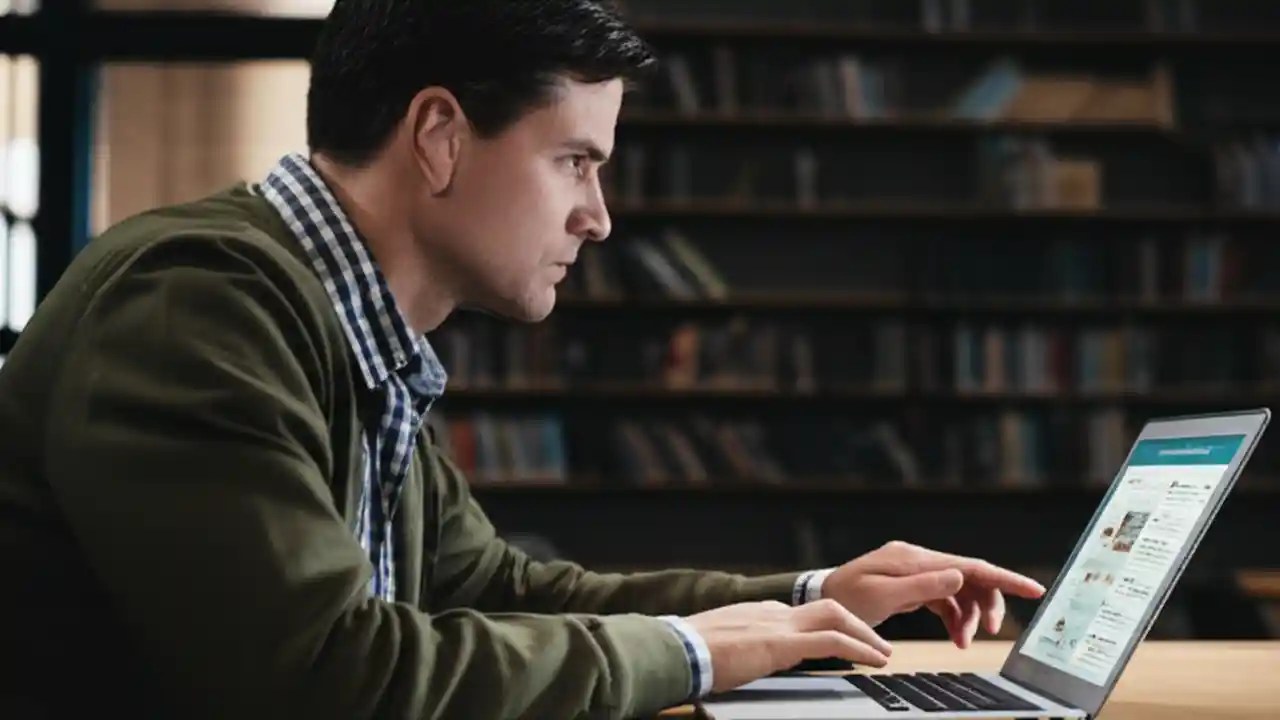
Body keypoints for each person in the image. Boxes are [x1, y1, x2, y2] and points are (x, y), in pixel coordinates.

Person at [0, 1, 1045, 717]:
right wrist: (691, 653)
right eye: (574, 162)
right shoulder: (200, 302)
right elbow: (324, 677)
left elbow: (487, 586)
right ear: (440, 137)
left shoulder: (343, 320)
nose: (597, 217)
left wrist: (805, 600)